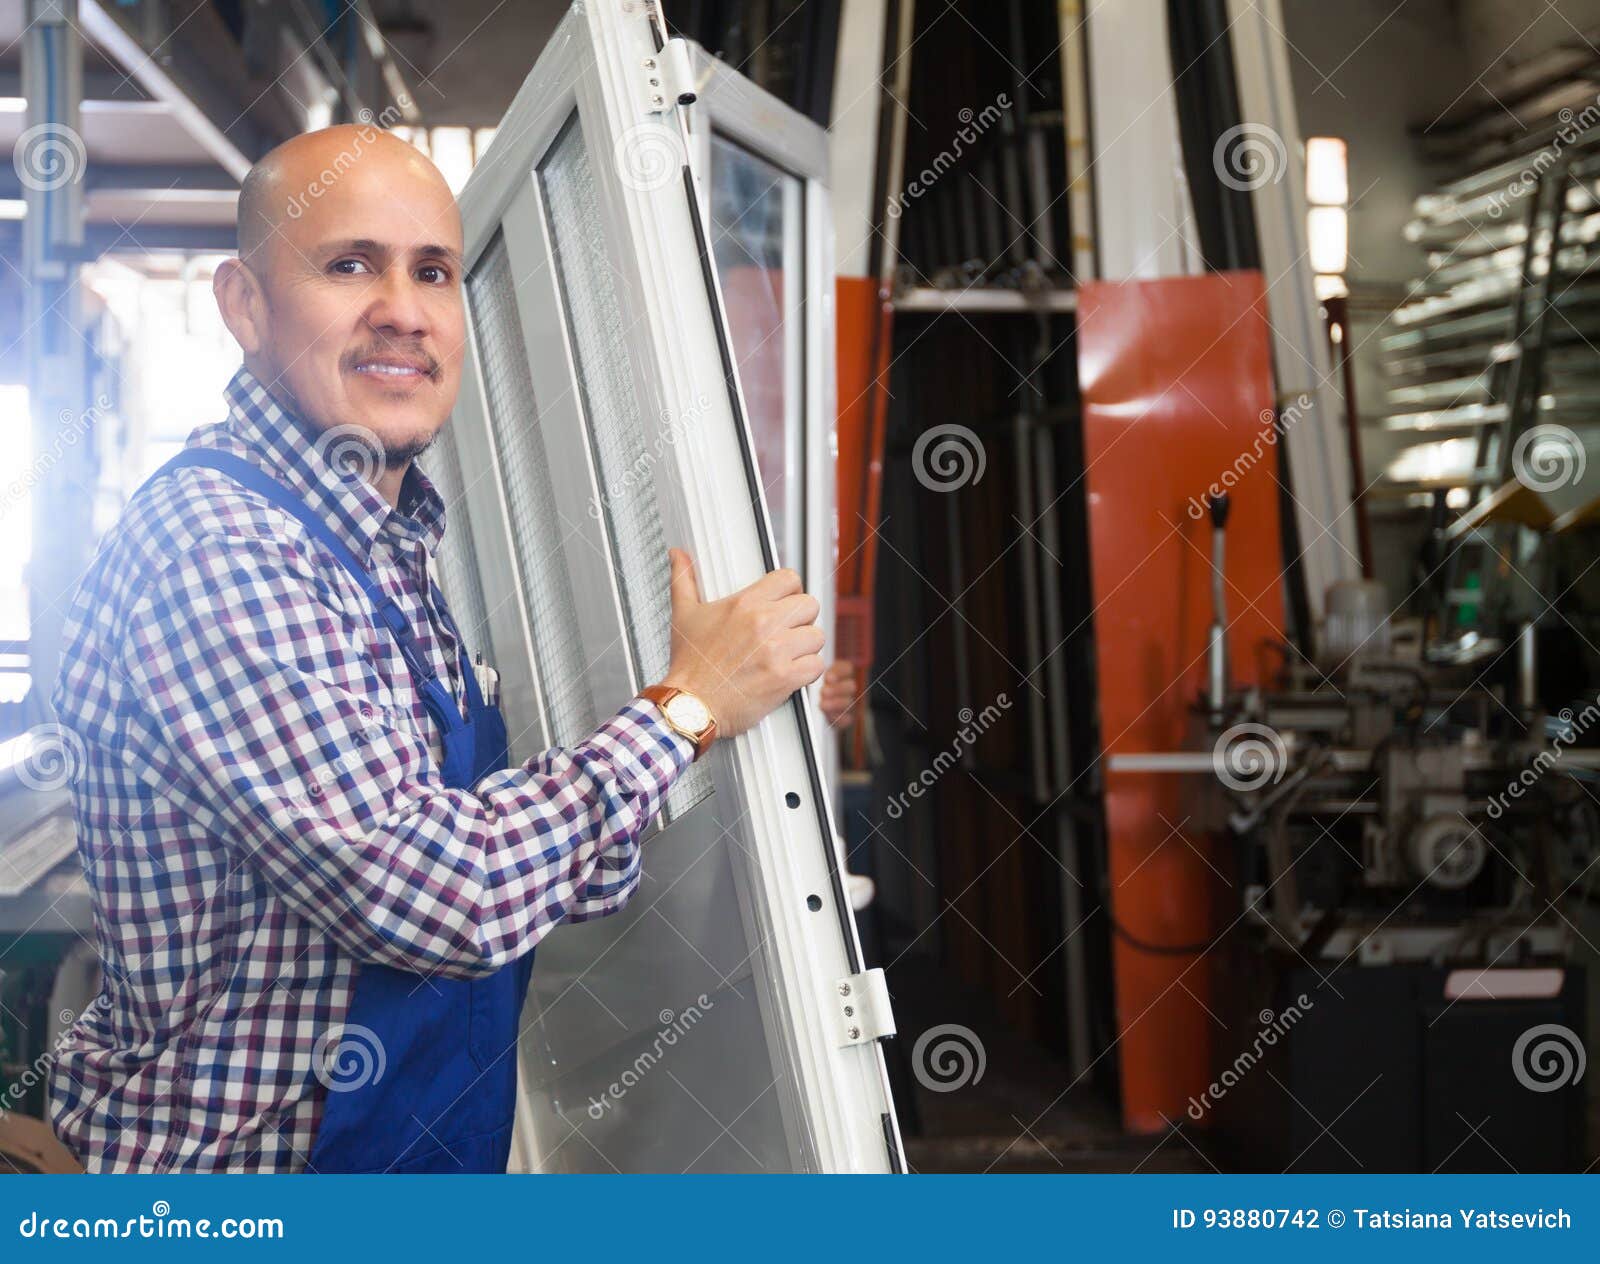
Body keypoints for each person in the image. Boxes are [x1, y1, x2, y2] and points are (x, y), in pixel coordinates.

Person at [46, 125, 826, 1173]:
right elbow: (442, 895)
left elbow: (500, 862)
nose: (403, 313)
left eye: (433, 272)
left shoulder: (387, 543)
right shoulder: (216, 549)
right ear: (242, 304)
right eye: (349, 264)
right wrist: (683, 710)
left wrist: (748, 716)